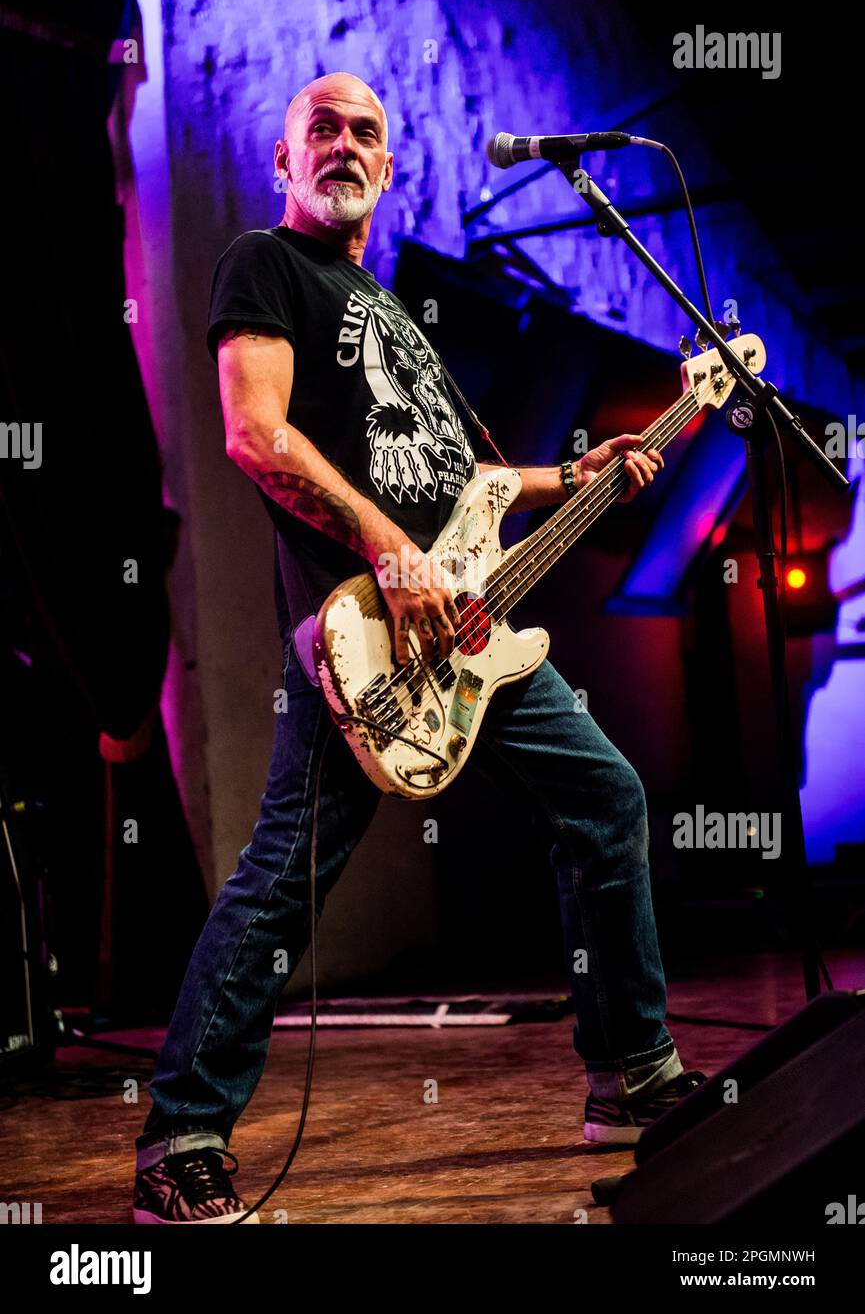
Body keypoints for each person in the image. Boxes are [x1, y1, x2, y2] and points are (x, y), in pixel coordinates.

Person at [131, 71, 705, 1225]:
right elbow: (255, 432)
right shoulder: (265, 263)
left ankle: (632, 1077)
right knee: (285, 879)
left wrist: (581, 473)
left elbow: (476, 483)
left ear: (390, 167)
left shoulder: (394, 313)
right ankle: (180, 1134)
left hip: (478, 621)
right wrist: (395, 555)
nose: (346, 145)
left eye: (368, 134)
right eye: (322, 130)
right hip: (369, 629)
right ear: (286, 163)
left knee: (605, 799)